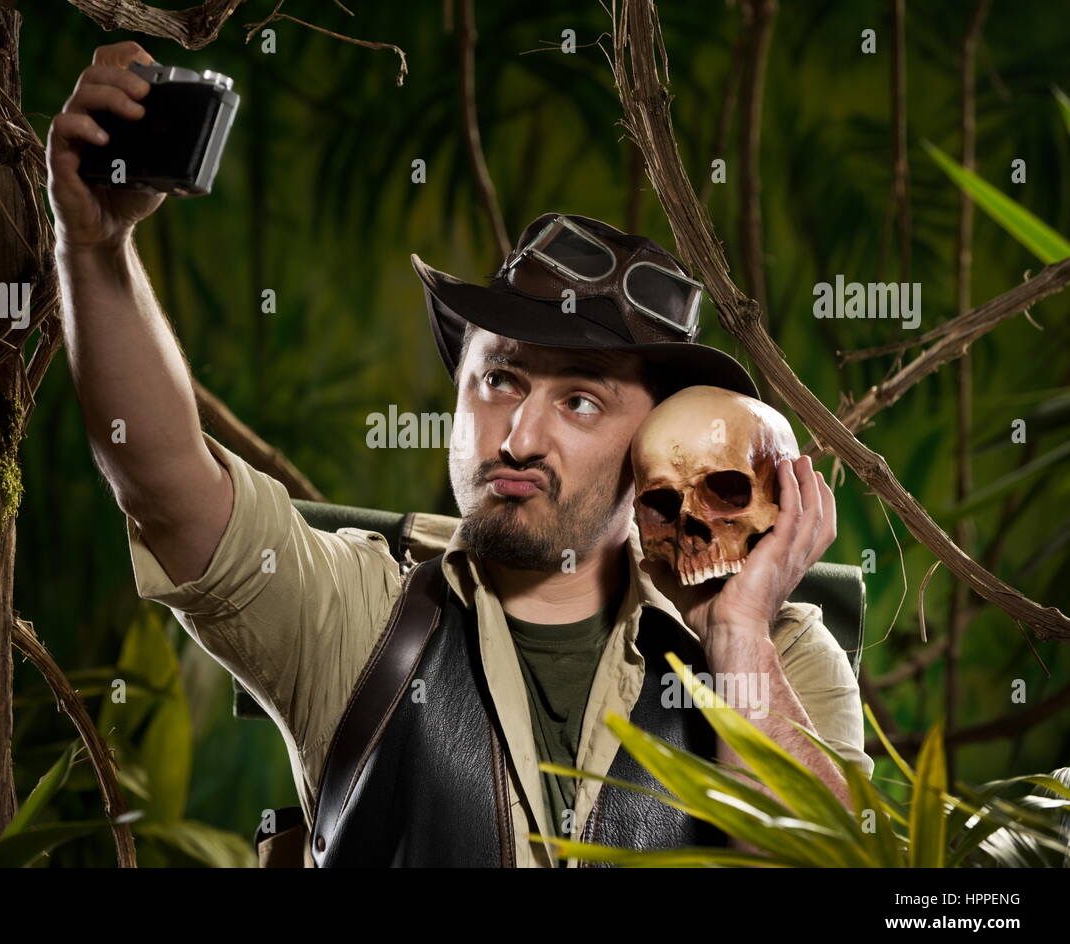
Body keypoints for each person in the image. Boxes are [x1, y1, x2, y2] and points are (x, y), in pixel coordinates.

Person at [48, 41, 873, 868]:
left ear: (657, 448)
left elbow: (825, 861)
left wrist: (736, 639)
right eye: (499, 380)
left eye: (579, 400)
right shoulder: (364, 618)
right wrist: (95, 251)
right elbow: (165, 481)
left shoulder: (784, 653)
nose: (515, 436)